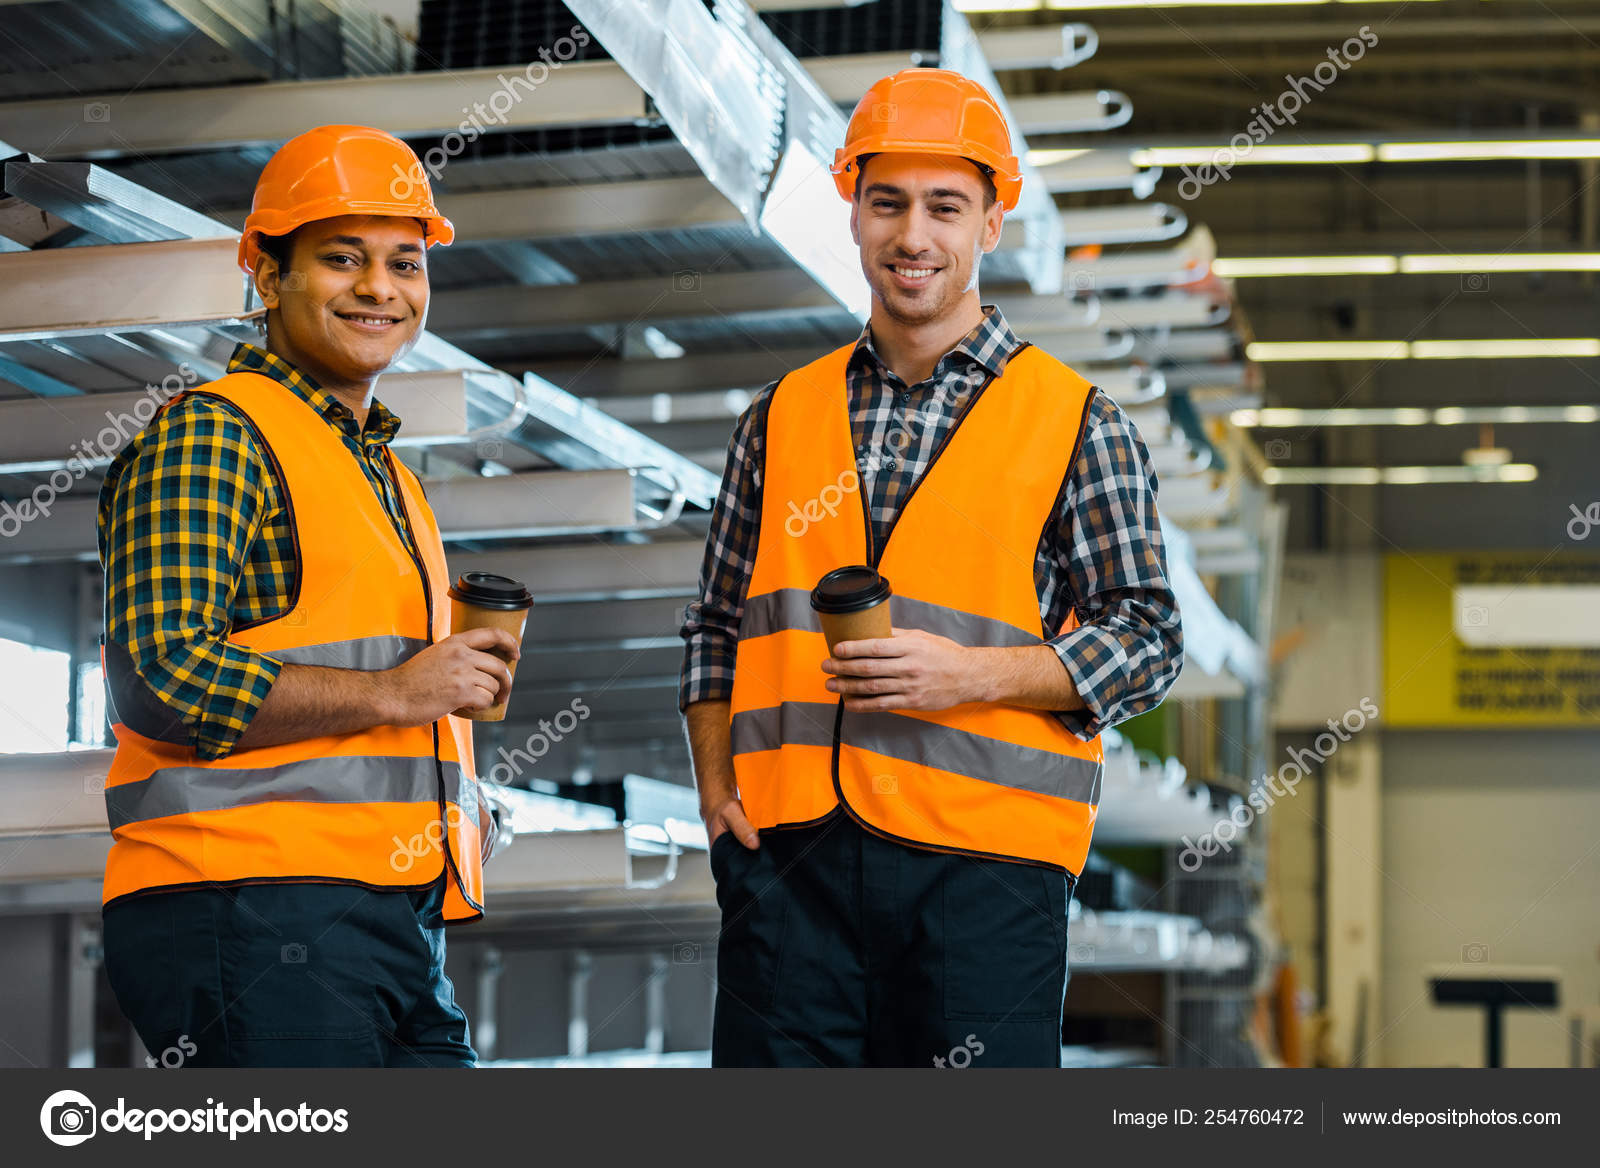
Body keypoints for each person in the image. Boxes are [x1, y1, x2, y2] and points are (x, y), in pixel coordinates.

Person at [678, 69, 1184, 1067]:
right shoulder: (778, 416)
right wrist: (712, 784)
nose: (913, 235)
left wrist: (974, 673)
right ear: (855, 212)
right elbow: (714, 626)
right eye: (887, 203)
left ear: (991, 221)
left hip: (983, 879)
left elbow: (1147, 641)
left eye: (944, 206)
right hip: (789, 869)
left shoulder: (1076, 424)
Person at [96, 124, 516, 1068]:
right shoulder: (217, 437)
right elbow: (162, 677)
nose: (381, 289)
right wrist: (397, 696)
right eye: (342, 259)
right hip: (245, 905)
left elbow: (369, 698)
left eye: (405, 263)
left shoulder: (384, 473)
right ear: (268, 274)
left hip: (387, 918)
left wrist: (452, 794)